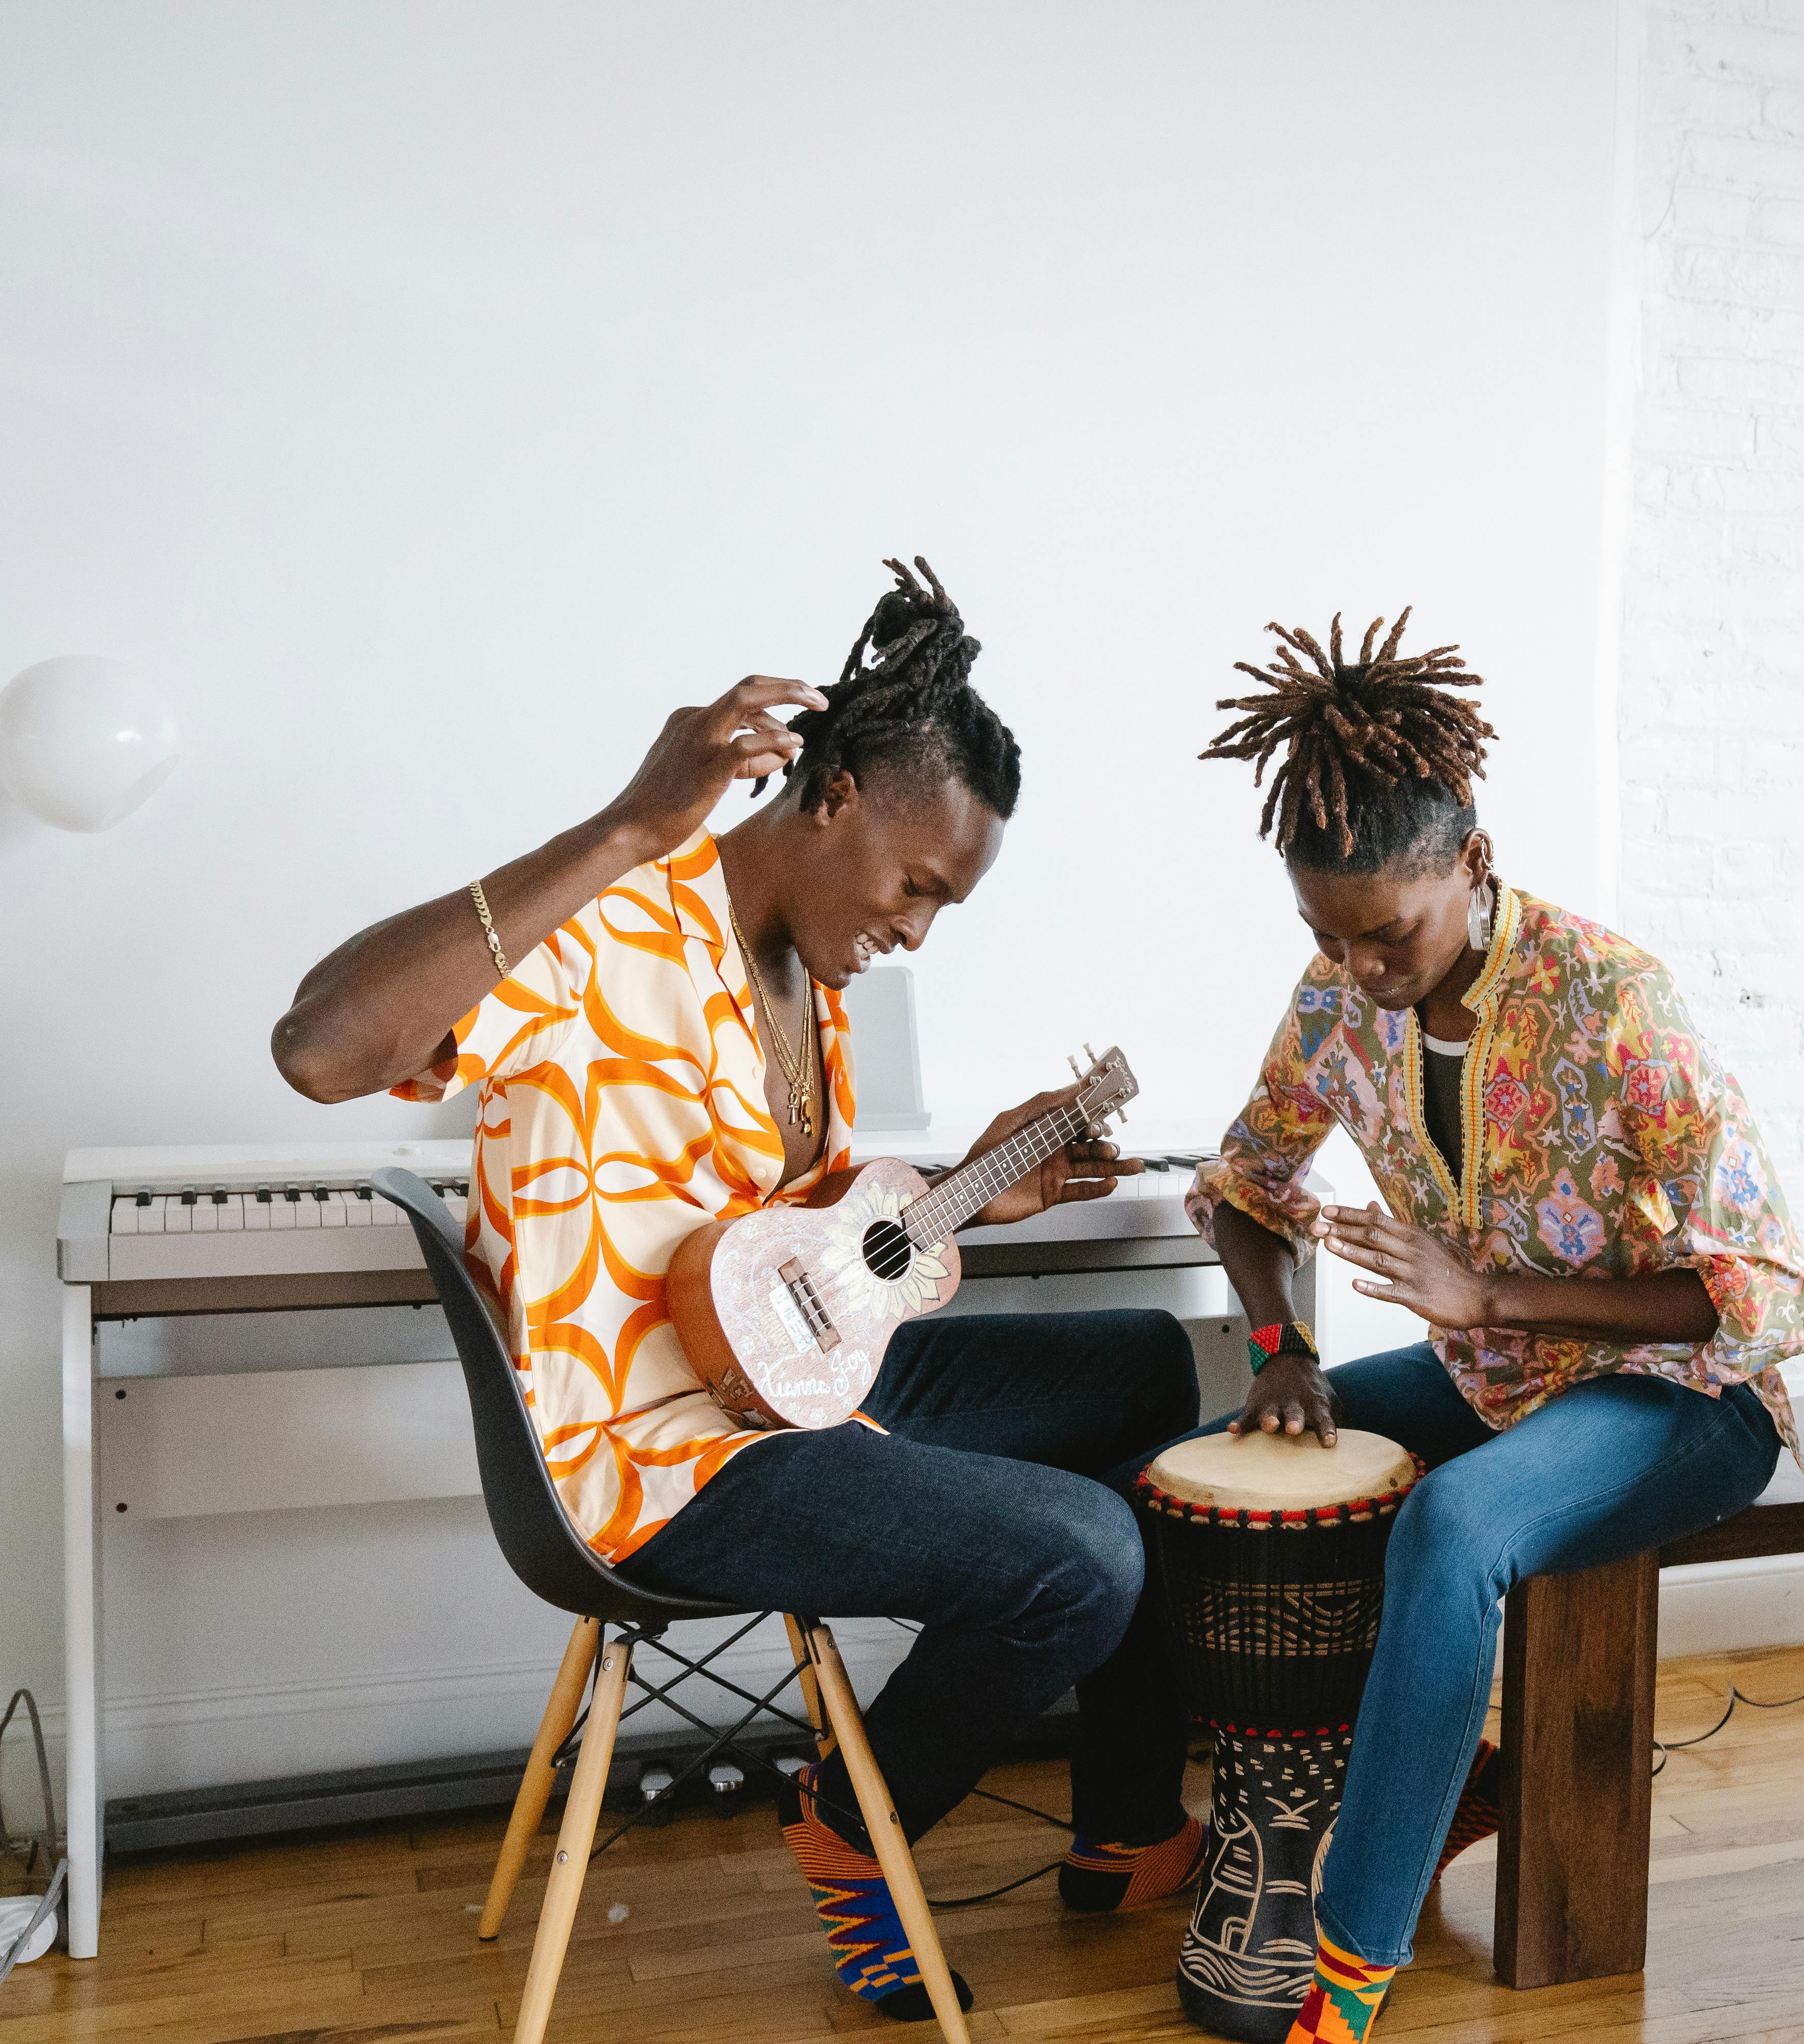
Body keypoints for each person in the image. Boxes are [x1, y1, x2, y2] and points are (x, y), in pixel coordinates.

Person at [269, 560, 1207, 2024]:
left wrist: (964, 1189)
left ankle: (1128, 1827)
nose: (921, 931)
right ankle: (856, 1829)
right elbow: (324, 1047)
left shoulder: (810, 986)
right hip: (655, 1455)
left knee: (1152, 1365)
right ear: (829, 799)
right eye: (918, 887)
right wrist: (631, 822)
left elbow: (786, 1252)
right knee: (1084, 1555)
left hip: (774, 1386)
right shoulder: (606, 930)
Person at [1185, 611, 1804, 2044]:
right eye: (1323, 934)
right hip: (1496, 1377)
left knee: (1455, 1529)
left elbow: (1762, 1294)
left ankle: (1345, 1973)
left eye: (1385, 930)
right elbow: (1243, 1186)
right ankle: (1237, 1833)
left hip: (1683, 1396)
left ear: (1471, 863)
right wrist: (1282, 1353)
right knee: (1245, 1471)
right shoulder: (1340, 997)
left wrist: (1495, 1295)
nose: (1358, 965)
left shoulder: (1613, 1000)